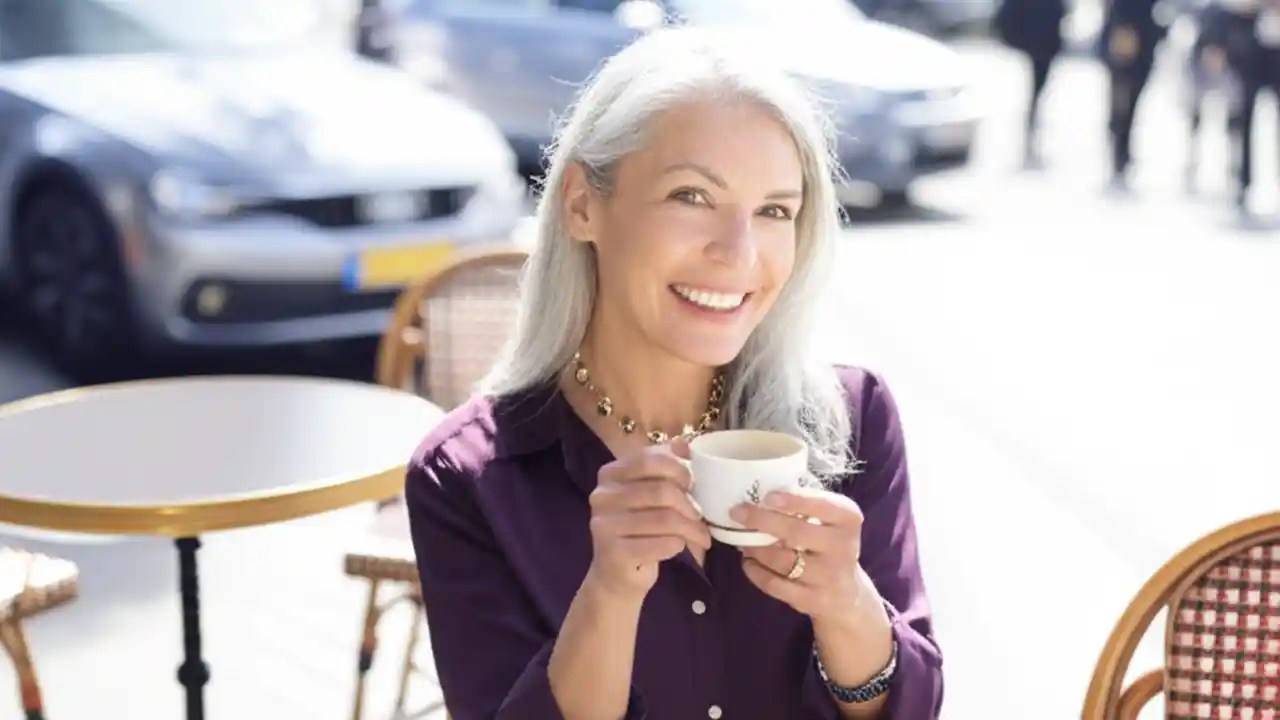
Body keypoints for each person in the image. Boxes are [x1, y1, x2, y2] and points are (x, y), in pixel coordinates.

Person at [404, 26, 943, 720]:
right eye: (692, 196)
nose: (738, 253)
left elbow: (913, 709)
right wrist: (609, 594)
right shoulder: (469, 477)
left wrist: (848, 607)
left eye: (775, 210)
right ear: (581, 204)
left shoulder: (852, 418)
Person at [1099, 0, 1170, 189]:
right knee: (1120, 104)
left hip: (1143, 47)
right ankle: (1118, 150)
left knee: (1130, 104)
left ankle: (1122, 148)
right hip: (1121, 43)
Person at [994, 0, 1069, 167]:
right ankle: (1029, 135)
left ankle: (1031, 134)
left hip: (1042, 43)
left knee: (1037, 94)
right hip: (1036, 43)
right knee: (1034, 94)